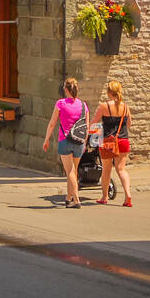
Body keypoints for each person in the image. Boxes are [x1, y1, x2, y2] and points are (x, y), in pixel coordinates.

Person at [43, 77, 88, 208]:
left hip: (65, 141)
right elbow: (86, 125)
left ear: (66, 89)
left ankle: (76, 200)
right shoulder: (83, 105)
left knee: (69, 171)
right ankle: (68, 198)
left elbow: (52, 124)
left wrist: (46, 140)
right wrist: (84, 143)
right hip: (79, 142)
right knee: (73, 170)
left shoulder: (61, 103)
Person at [92, 79, 132, 207]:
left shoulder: (105, 106)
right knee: (121, 169)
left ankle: (104, 197)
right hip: (124, 140)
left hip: (108, 142)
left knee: (106, 170)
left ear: (109, 92)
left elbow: (94, 123)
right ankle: (128, 195)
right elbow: (129, 124)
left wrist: (91, 131)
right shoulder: (125, 107)